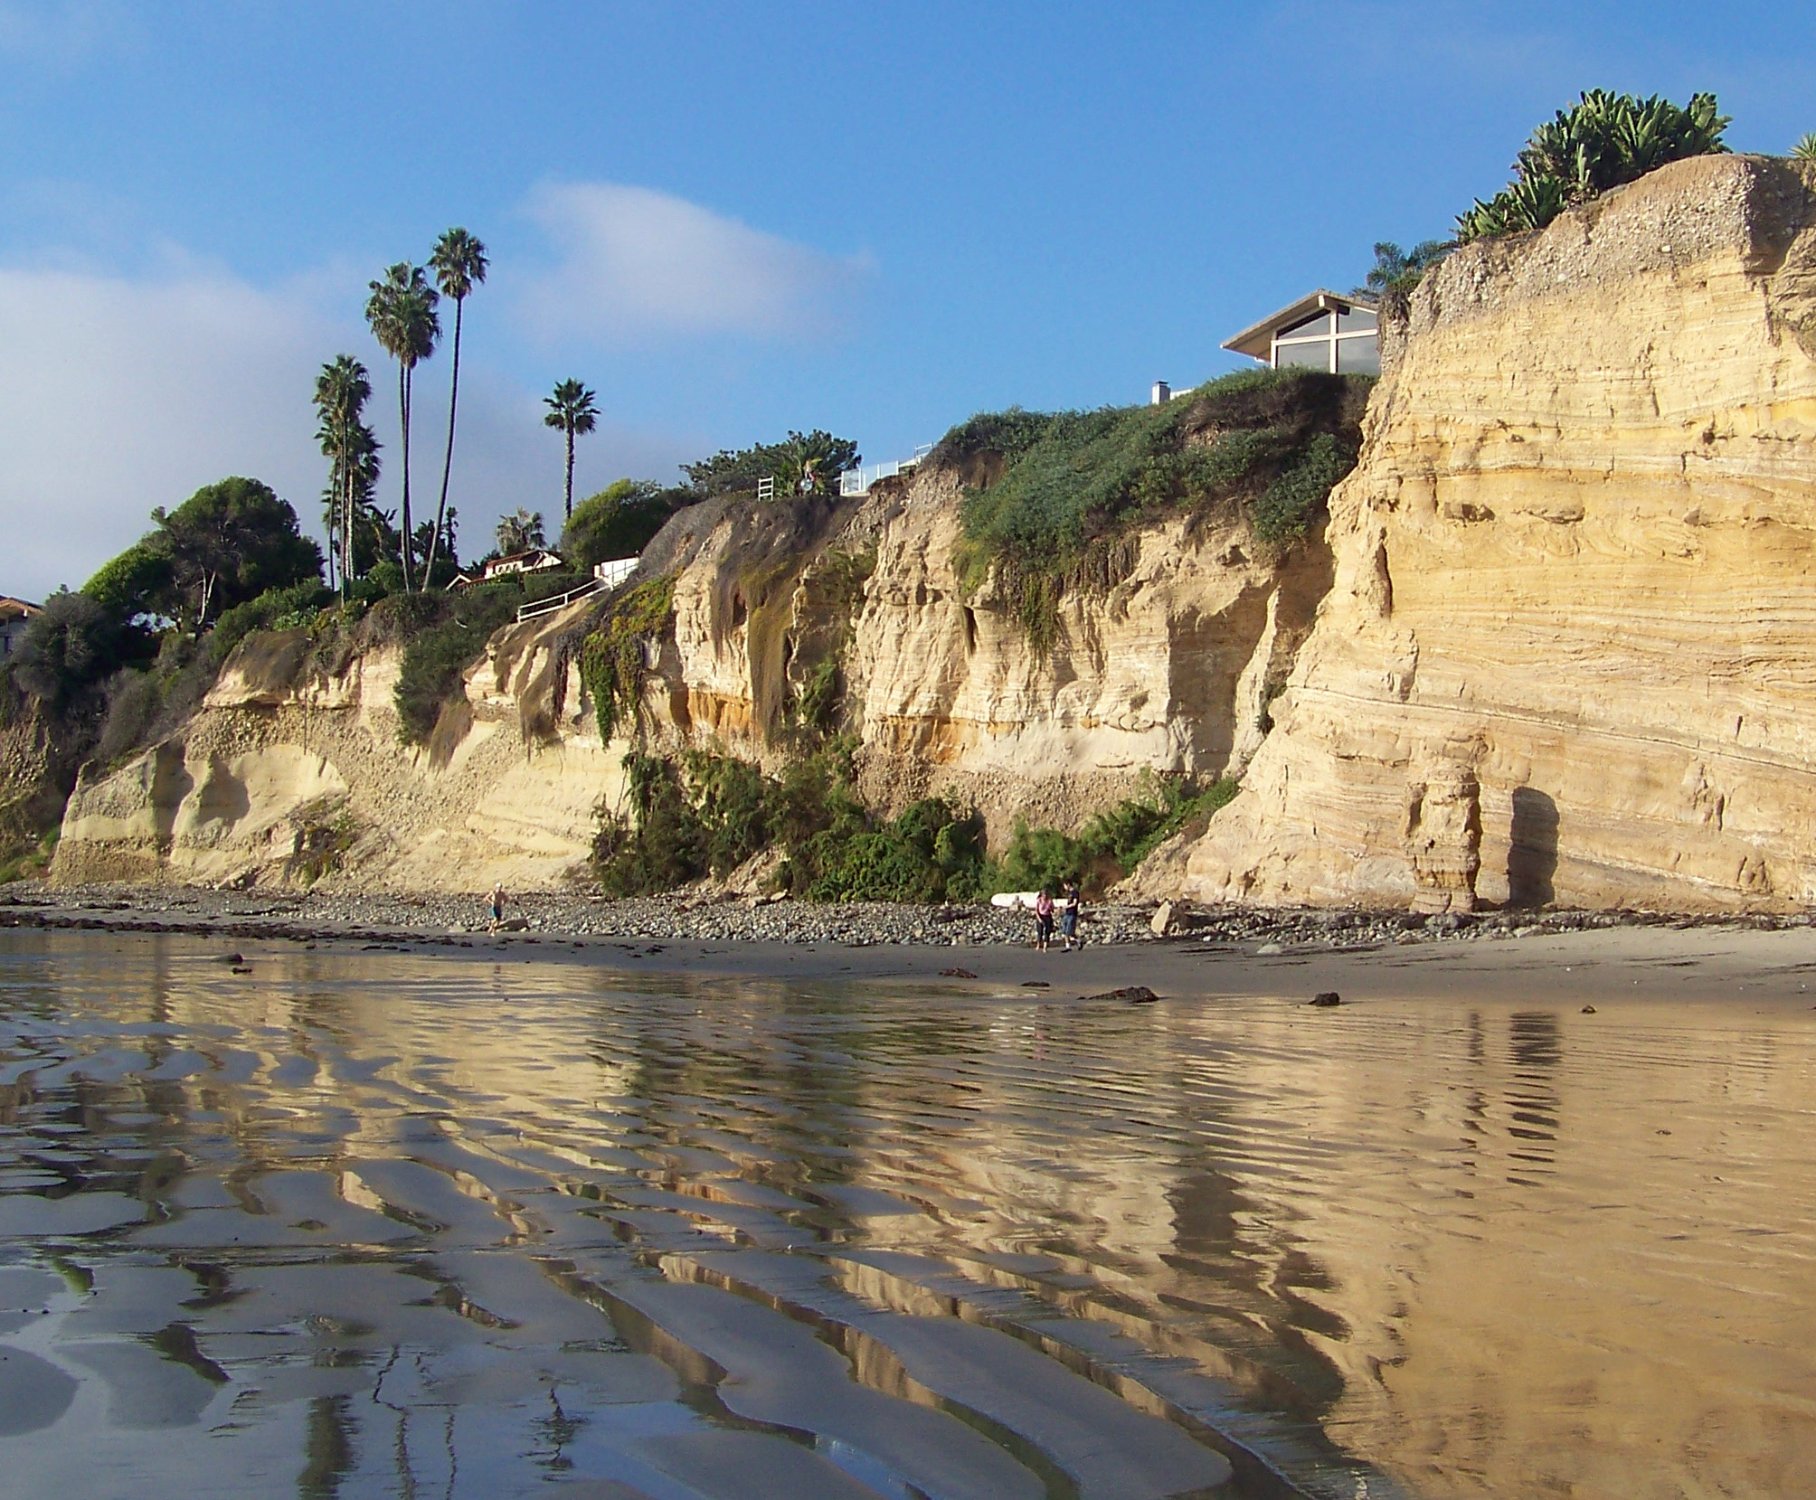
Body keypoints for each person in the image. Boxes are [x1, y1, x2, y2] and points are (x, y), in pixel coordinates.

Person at [1058, 879, 1081, 951]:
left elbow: (1074, 903)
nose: (1064, 887)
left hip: (1072, 914)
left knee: (1069, 931)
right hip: (1067, 913)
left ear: (1068, 884)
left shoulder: (1075, 893)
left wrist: (1066, 907)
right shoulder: (1069, 893)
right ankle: (1068, 946)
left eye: (1064, 885)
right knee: (1065, 931)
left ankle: (1078, 941)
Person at [1034, 887, 1055, 952]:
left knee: (1047, 932)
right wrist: (1039, 918)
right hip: (1040, 915)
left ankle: (1045, 947)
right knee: (1040, 931)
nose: (1045, 896)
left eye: (1046, 894)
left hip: (1047, 916)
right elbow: (1036, 910)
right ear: (1041, 895)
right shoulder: (1039, 900)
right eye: (1044, 895)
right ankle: (1038, 944)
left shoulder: (1049, 900)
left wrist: (1051, 909)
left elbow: (1052, 909)